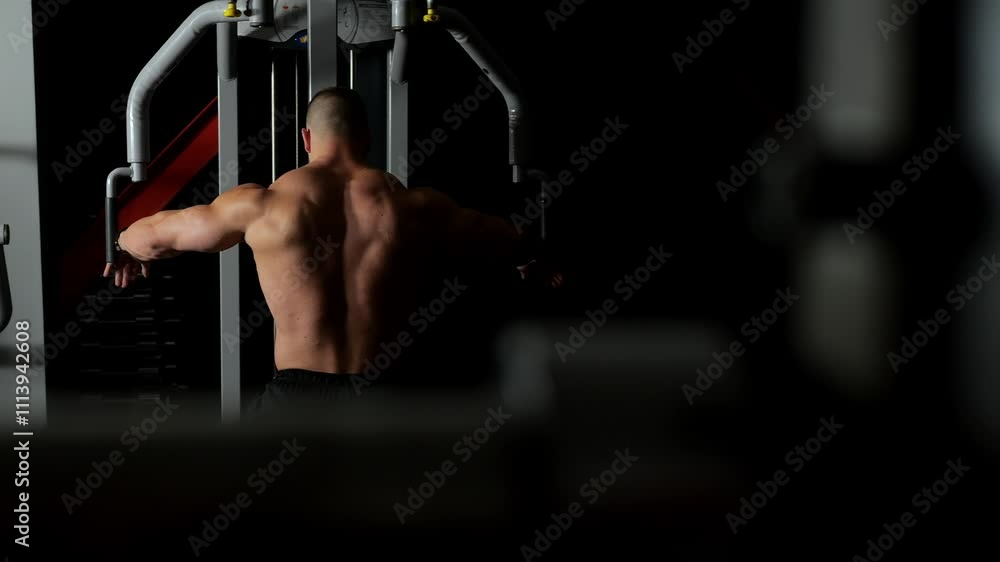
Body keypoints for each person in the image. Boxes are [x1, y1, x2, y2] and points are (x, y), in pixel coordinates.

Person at [103, 87, 561, 396]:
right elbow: (497, 236)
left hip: (299, 396)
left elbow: (158, 235)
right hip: (387, 395)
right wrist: (528, 260)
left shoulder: (261, 205)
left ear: (306, 138)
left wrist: (124, 246)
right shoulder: (418, 207)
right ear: (366, 137)